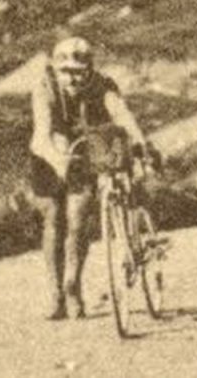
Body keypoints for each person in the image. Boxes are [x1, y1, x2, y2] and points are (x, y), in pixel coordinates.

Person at [29, 37, 146, 320]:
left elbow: (123, 116)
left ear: (90, 69)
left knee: (78, 219)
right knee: (54, 219)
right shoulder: (44, 88)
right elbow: (42, 134)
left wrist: (140, 144)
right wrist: (59, 162)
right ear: (55, 69)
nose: (73, 77)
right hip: (48, 152)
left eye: (79, 71)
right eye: (65, 71)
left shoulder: (102, 85)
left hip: (84, 149)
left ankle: (73, 287)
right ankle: (55, 292)